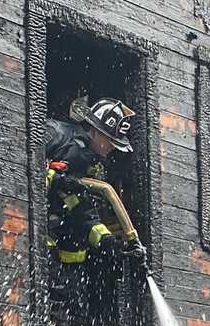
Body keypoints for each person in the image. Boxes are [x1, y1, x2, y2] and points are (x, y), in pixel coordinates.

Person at [45, 96, 141, 325]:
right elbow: (22, 165)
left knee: (74, 316)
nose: (111, 148)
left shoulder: (93, 163)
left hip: (67, 253)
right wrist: (54, 179)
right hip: (39, 242)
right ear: (95, 131)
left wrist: (107, 241)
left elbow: (83, 210)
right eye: (109, 141)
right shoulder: (56, 134)